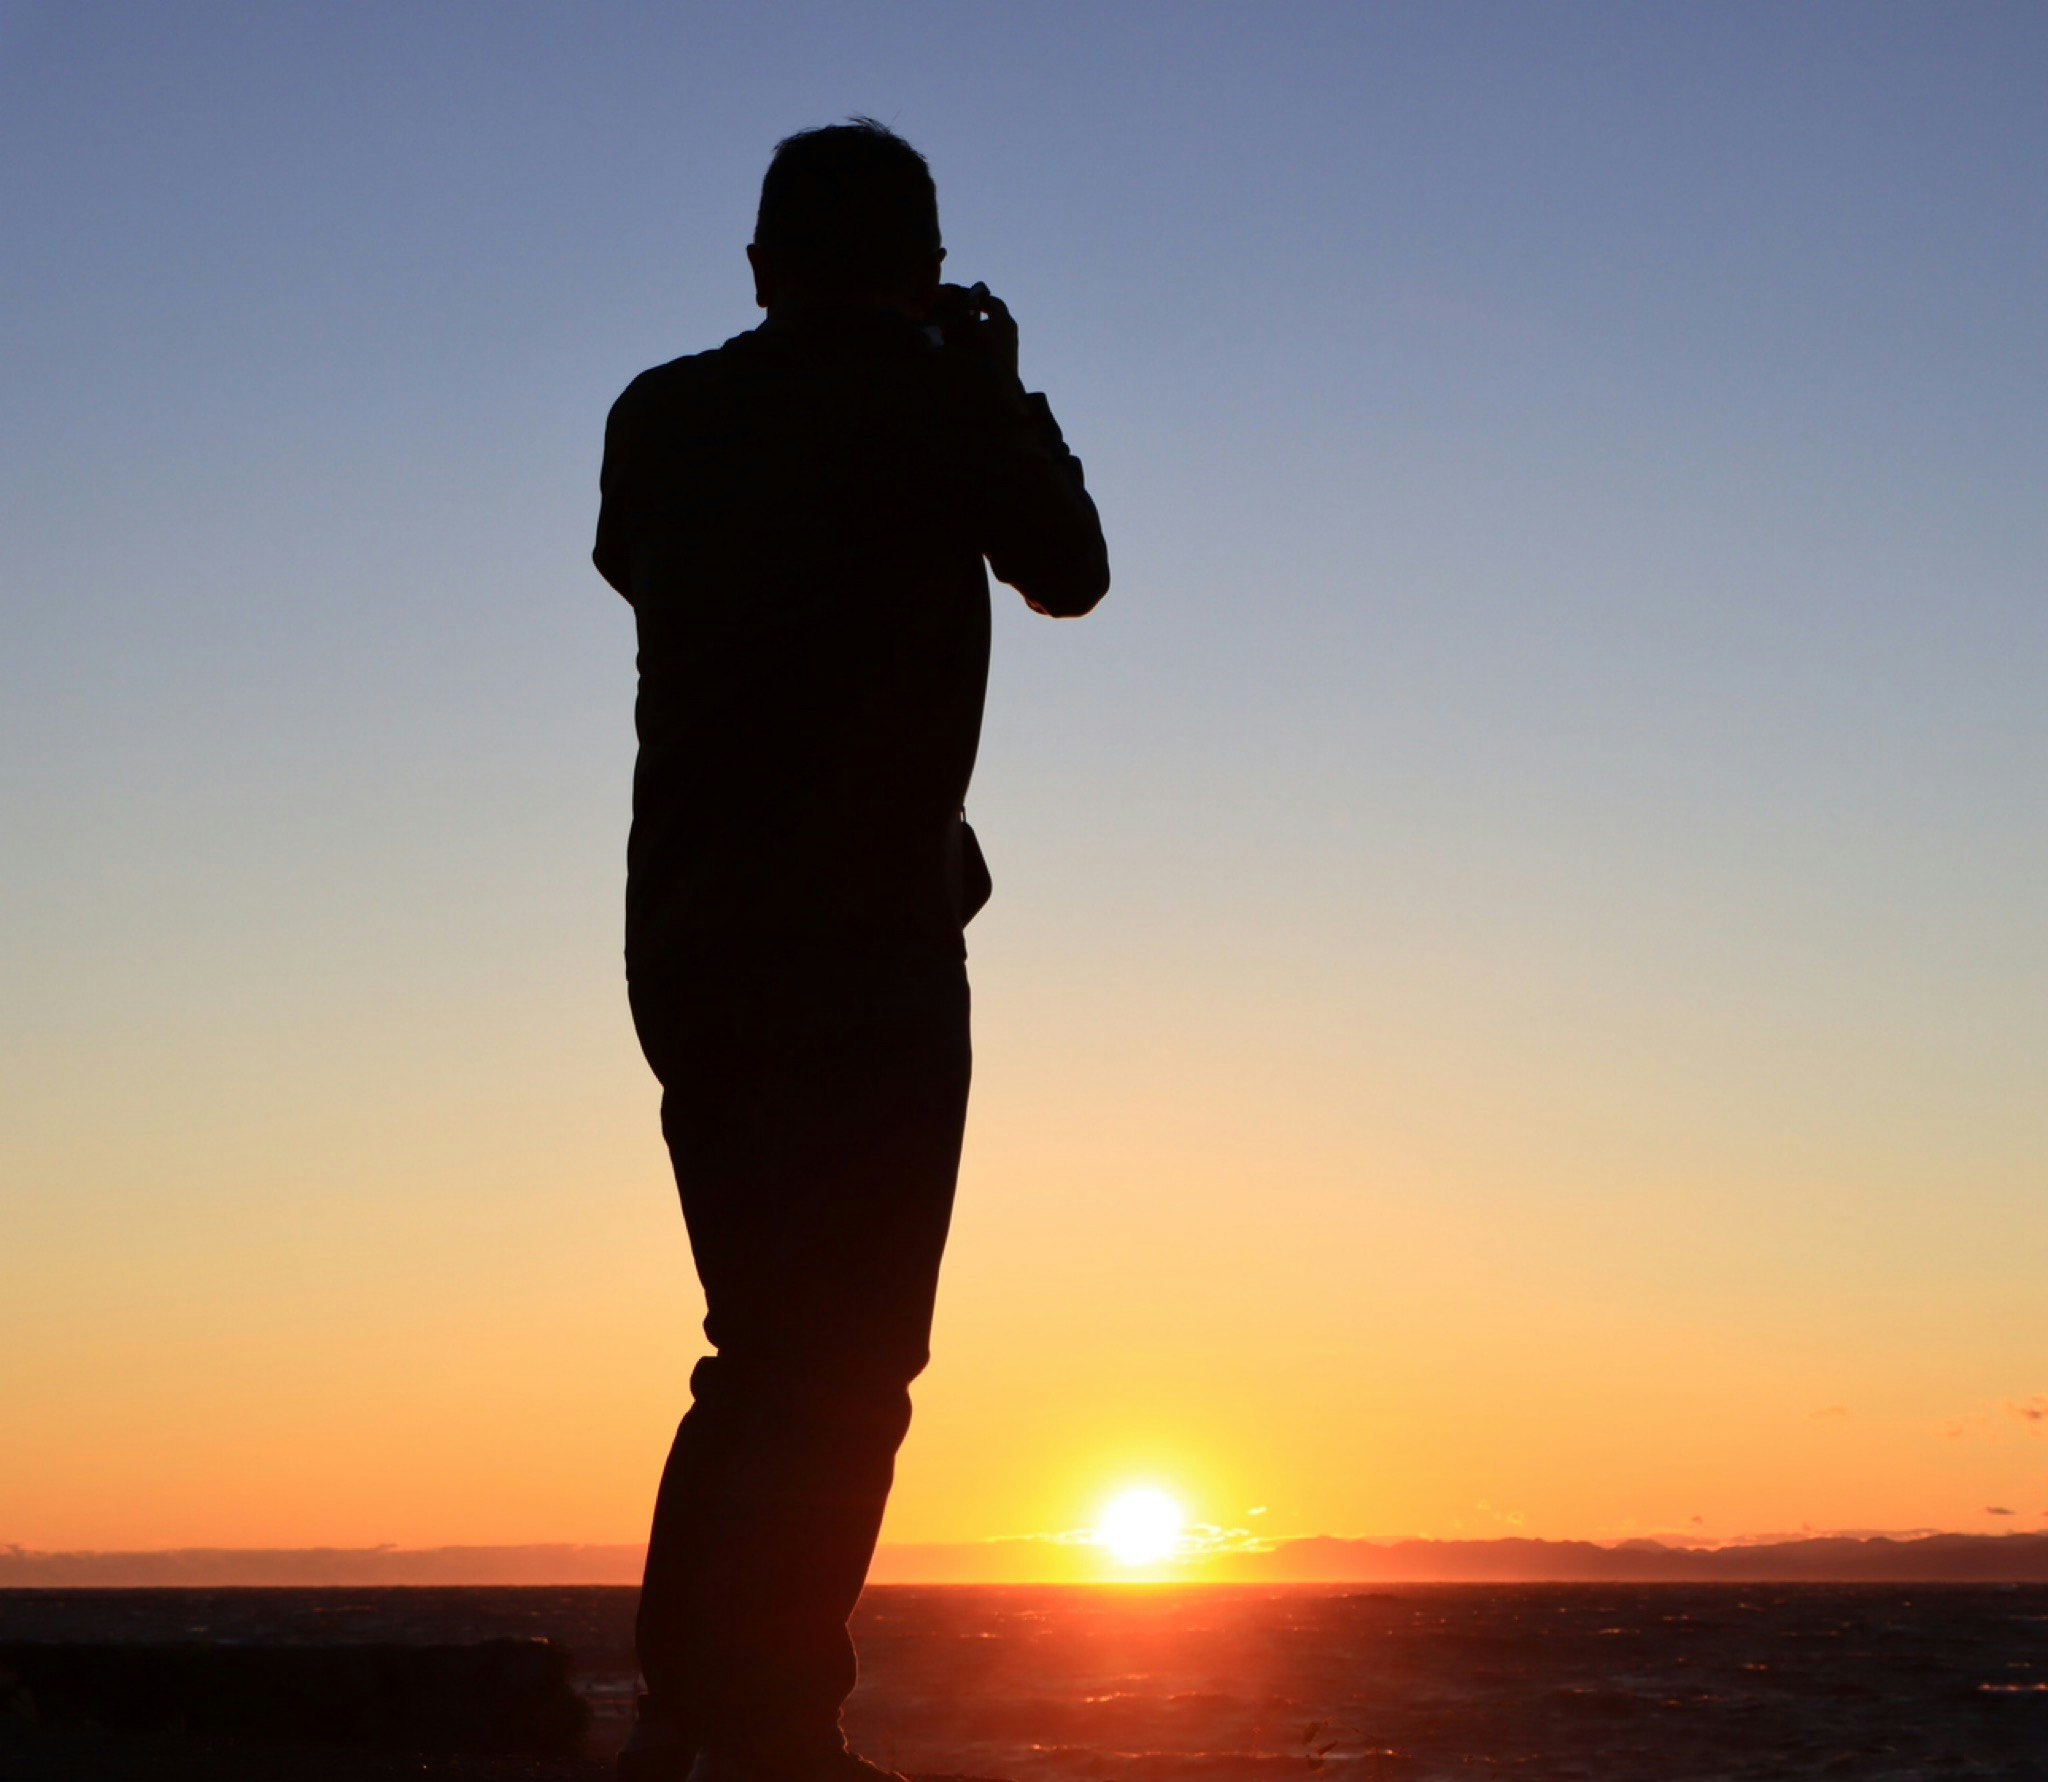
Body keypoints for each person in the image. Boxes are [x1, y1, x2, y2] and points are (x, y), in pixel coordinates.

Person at [593, 119, 1109, 1782]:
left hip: (691, 937)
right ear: (927, 273)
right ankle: (774, 1725)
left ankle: (703, 1717)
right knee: (857, 1354)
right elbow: (1071, 569)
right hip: (866, 942)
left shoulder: (662, 417)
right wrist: (997, 389)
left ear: (761, 266)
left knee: (764, 1345)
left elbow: (646, 568)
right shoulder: (933, 402)